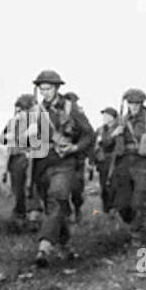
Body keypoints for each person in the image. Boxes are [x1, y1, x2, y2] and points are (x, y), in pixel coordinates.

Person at [28, 70, 95, 266]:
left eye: (48, 88)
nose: (45, 93)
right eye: (42, 89)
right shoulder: (35, 111)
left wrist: (75, 147)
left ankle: (44, 247)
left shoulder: (70, 108)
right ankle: (66, 246)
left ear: (57, 88)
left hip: (64, 163)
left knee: (58, 200)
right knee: (53, 208)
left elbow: (88, 135)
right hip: (42, 164)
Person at [99, 88, 146, 238]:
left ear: (142, 104)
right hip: (124, 164)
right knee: (121, 204)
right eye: (131, 103)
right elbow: (106, 145)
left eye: (137, 104)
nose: (134, 107)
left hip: (143, 164)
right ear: (127, 104)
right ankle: (135, 223)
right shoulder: (121, 121)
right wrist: (113, 135)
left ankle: (137, 230)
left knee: (139, 201)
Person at [0, 94, 37, 223]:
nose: (18, 113)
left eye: (21, 110)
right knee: (18, 189)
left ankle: (33, 216)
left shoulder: (34, 124)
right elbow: (1, 139)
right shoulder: (12, 123)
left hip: (29, 158)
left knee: (30, 187)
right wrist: (7, 137)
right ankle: (20, 215)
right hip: (14, 159)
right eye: (17, 110)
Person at [63, 92, 87, 222]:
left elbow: (87, 136)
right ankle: (66, 212)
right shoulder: (57, 115)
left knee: (76, 187)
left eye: (72, 102)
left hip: (77, 157)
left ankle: (77, 209)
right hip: (62, 157)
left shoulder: (79, 117)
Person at [92, 107, 119, 213]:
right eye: (104, 115)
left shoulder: (118, 129)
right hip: (102, 161)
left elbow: (111, 144)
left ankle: (114, 208)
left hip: (114, 161)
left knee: (114, 186)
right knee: (104, 186)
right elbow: (94, 145)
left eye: (108, 115)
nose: (105, 117)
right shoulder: (100, 130)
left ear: (113, 118)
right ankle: (106, 209)